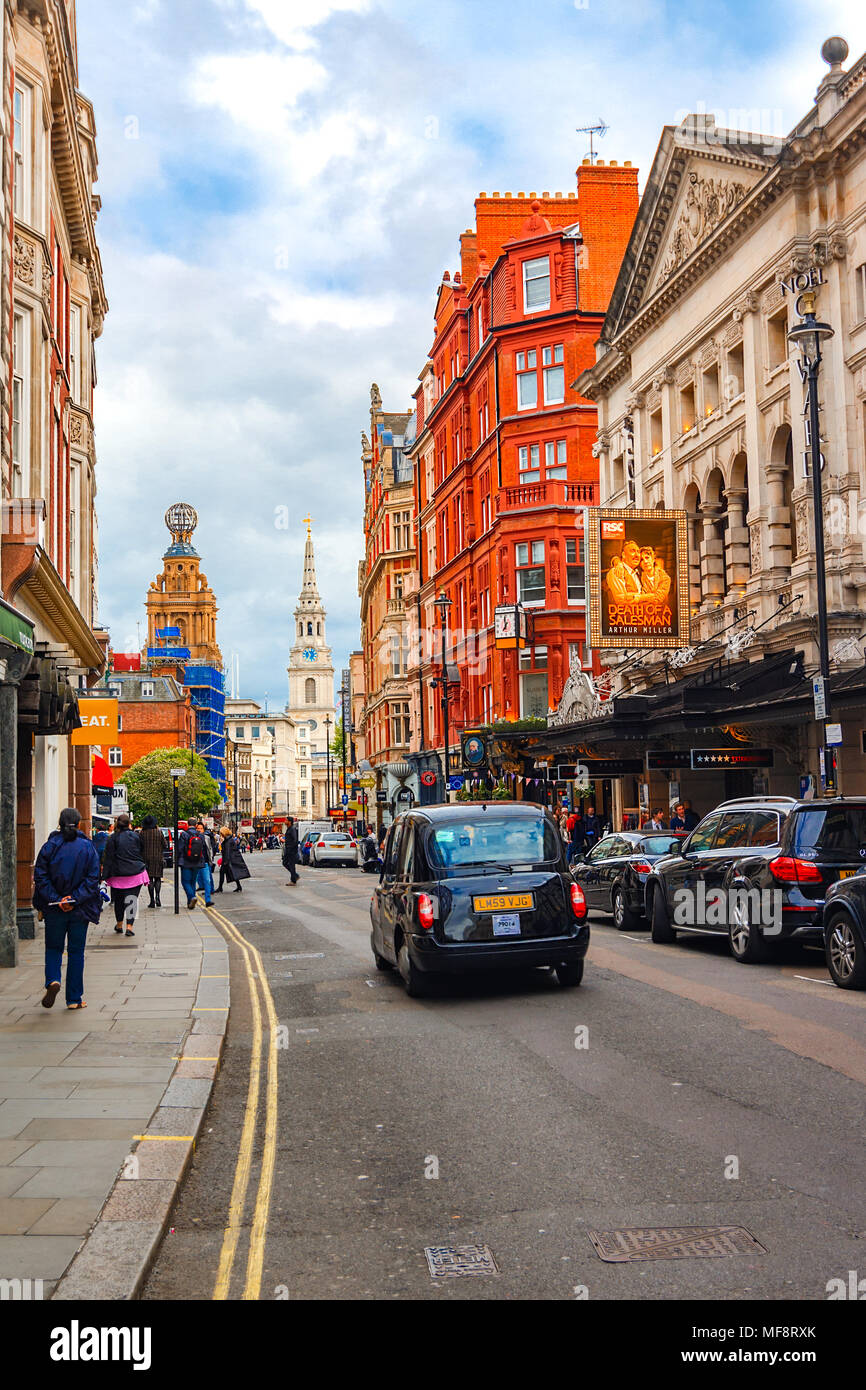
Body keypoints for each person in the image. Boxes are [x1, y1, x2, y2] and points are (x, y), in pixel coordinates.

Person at [33, 808, 102, 1010]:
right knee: (76, 952)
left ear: (59, 823)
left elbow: (40, 877)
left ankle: (53, 980)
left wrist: (57, 899)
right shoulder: (88, 848)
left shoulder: (49, 846)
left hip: (54, 909)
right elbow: (92, 880)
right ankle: (74, 999)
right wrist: (74, 898)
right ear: (79, 824)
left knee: (54, 948)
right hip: (80, 909)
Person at [100, 814, 149, 936]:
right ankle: (129, 927)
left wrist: (103, 876)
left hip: (118, 875)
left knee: (119, 901)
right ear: (129, 824)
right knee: (132, 900)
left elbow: (108, 858)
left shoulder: (112, 838)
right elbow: (142, 852)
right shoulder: (136, 836)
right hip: (135, 873)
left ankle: (119, 924)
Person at [177, 822, 209, 908]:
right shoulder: (200, 835)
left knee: (185, 882)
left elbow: (180, 848)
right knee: (193, 882)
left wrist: (177, 859)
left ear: (188, 824)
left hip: (186, 862)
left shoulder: (184, 834)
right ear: (195, 825)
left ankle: (192, 897)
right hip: (197, 862)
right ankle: (190, 904)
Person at [139, 815, 167, 908]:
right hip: (158, 858)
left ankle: (152, 900)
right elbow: (165, 845)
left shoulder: (142, 833)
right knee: (158, 878)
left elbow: (139, 846)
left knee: (150, 879)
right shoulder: (159, 832)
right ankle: (158, 897)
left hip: (146, 859)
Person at [221, 827, 251, 892]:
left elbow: (228, 851)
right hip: (230, 859)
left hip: (229, 860)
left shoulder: (228, 841)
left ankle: (220, 887)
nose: (221, 834)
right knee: (233, 872)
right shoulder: (228, 839)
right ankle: (239, 886)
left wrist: (226, 861)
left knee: (226, 872)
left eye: (221, 833)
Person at [194, 820, 215, 906]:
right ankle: (191, 898)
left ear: (203, 829)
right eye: (198, 828)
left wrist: (210, 860)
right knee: (193, 881)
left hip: (205, 862)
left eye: (201, 828)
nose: (199, 830)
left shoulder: (207, 838)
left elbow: (210, 849)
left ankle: (208, 900)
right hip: (195, 863)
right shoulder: (193, 837)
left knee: (207, 880)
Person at [282, 816, 300, 885]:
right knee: (285, 863)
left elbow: (295, 840)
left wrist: (291, 848)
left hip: (291, 850)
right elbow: (290, 839)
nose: (284, 821)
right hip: (288, 849)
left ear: (289, 822)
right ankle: (295, 876)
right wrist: (284, 841)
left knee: (291, 865)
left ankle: (293, 880)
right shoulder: (289, 829)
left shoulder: (292, 829)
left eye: (286, 820)